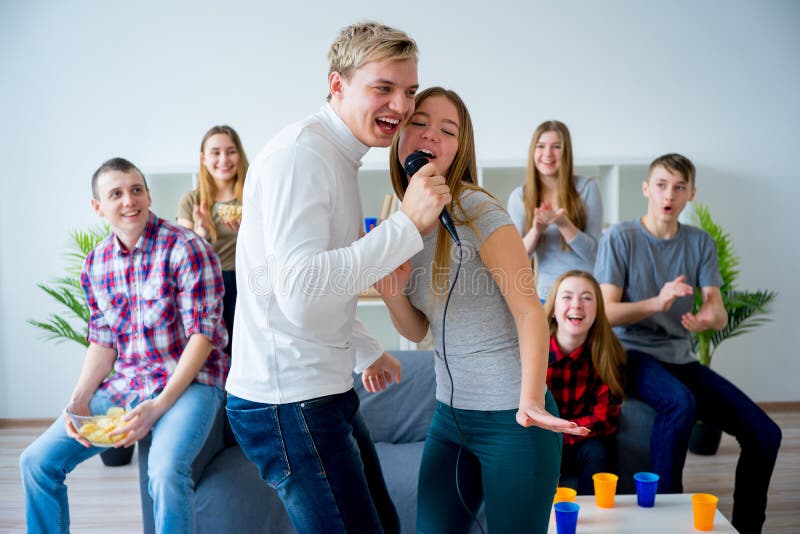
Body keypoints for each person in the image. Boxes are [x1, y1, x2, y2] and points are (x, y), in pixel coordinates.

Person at [225, 22, 451, 534]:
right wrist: (406, 226)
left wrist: (366, 349)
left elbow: (309, 282)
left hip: (318, 390)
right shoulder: (301, 156)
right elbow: (302, 292)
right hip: (289, 402)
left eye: (409, 90)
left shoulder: (336, 156)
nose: (401, 104)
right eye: (383, 88)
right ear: (337, 84)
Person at [376, 87, 589, 534]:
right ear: (400, 135)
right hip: (448, 418)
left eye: (447, 130)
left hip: (513, 422)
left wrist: (530, 401)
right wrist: (394, 294)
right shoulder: (398, 218)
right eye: (419, 122)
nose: (430, 134)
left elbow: (530, 312)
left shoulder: (478, 209)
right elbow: (418, 330)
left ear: (459, 149)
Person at [20, 157, 229, 533]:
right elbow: (103, 341)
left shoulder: (187, 249)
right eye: (116, 194)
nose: (129, 200)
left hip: (191, 385)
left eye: (136, 190)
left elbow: (204, 337)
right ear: (98, 207)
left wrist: (160, 405)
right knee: (35, 462)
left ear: (149, 195)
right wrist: (78, 399)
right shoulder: (95, 263)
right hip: (128, 385)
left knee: (165, 472)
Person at [594, 153, 781, 533]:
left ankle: (747, 527)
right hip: (629, 353)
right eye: (662, 185)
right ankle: (667, 521)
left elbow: (718, 311)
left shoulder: (699, 242)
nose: (670, 194)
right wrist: (657, 303)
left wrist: (710, 317)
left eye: (680, 187)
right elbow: (606, 313)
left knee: (765, 433)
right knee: (680, 403)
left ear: (691, 193)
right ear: (647, 188)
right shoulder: (620, 238)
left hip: (680, 357)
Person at [544, 270, 626, 495]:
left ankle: (591, 521)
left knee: (599, 451)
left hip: (583, 443)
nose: (577, 305)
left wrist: (562, 432)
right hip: (542, 442)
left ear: (598, 311)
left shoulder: (606, 355)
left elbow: (603, 418)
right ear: (552, 309)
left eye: (587, 298)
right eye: (567, 296)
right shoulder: (534, 353)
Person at [507, 120, 603, 300]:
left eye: (556, 147)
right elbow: (515, 258)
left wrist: (564, 224)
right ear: (532, 152)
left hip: (585, 293)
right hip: (547, 295)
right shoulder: (519, 197)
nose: (548, 154)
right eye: (541, 146)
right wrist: (536, 230)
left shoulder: (587, 188)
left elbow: (595, 255)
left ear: (566, 152)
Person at [177, 125, 249, 355]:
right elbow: (182, 256)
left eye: (230, 151)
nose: (223, 159)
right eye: (215, 152)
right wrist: (201, 233)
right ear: (204, 159)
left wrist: (248, 232)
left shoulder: (254, 194)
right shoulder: (192, 200)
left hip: (249, 279)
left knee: (246, 348)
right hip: (208, 284)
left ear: (240, 154)